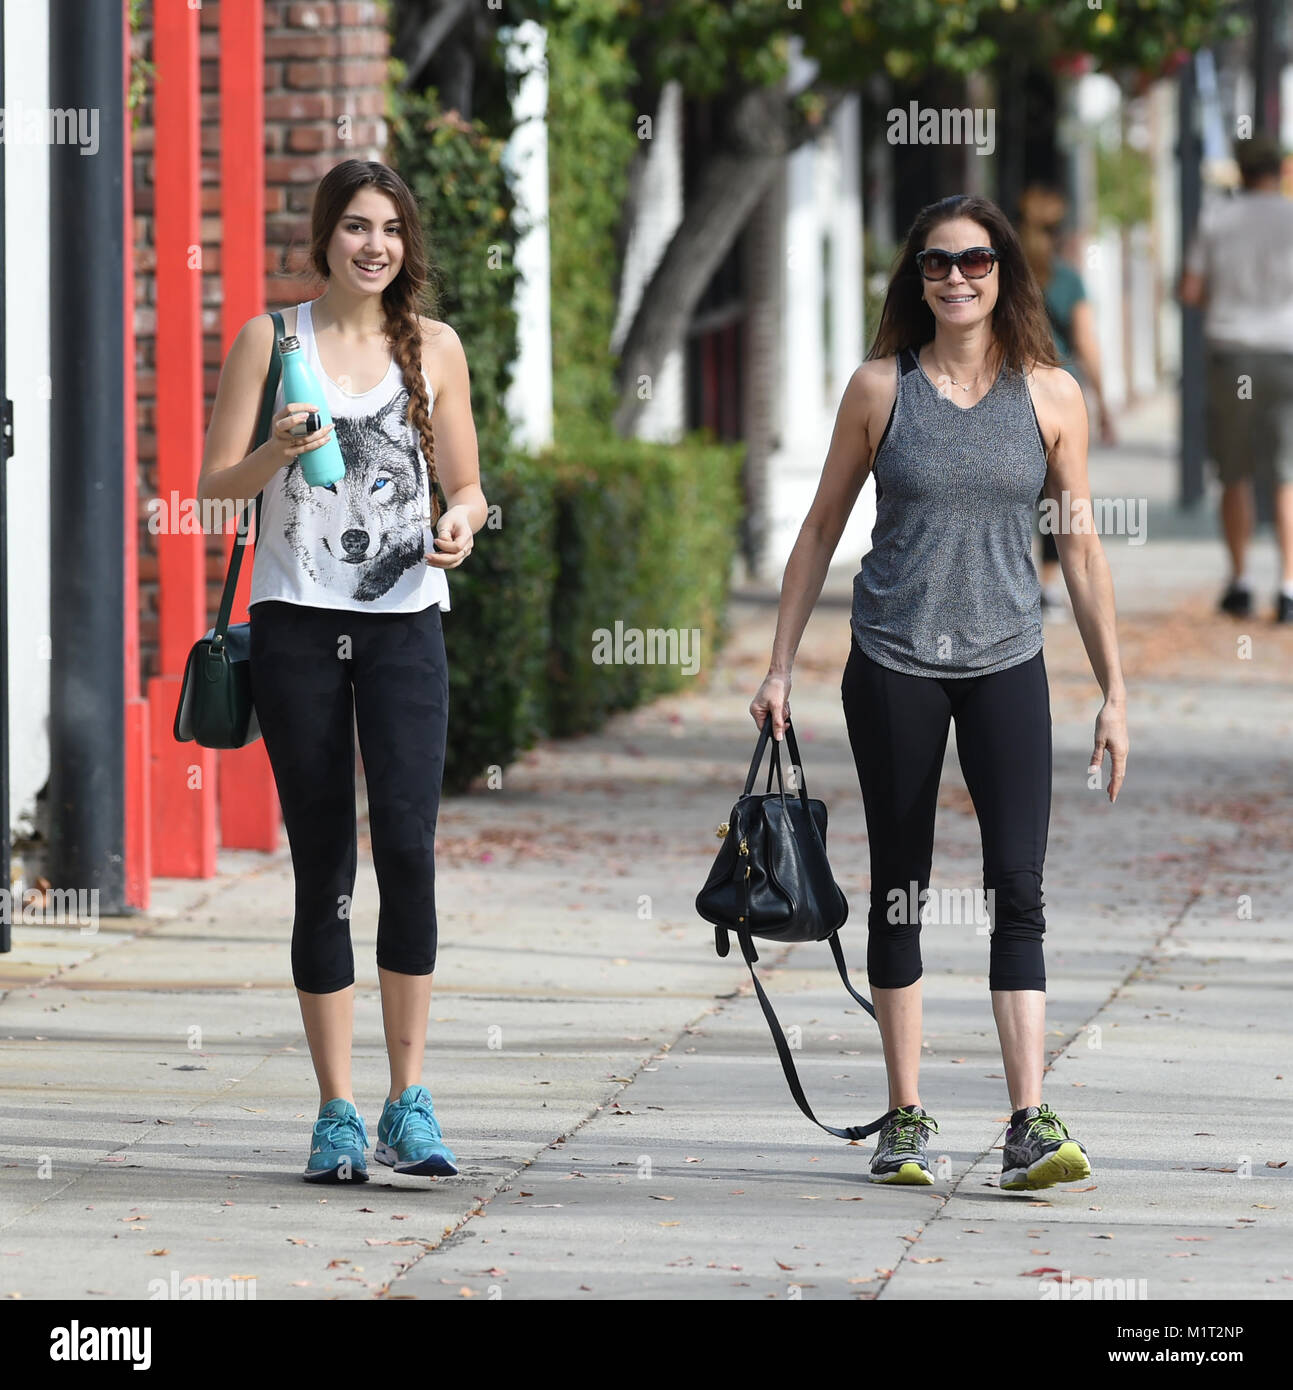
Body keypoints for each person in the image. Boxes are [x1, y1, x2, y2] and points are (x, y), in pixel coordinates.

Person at [750, 193, 1128, 1190]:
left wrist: (1114, 691)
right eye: (934, 264)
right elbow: (820, 528)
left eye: (974, 261)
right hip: (893, 661)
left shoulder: (1053, 396)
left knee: (1020, 886)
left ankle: (1027, 1120)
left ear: (1005, 272)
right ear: (915, 280)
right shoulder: (880, 389)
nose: (954, 278)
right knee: (902, 885)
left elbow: (1080, 551)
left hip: (1009, 658)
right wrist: (781, 664)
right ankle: (905, 1118)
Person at [196, 159, 486, 1182]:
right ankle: (335, 1110)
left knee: (408, 847)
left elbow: (469, 485)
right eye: (356, 227)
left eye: (392, 229)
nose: (375, 244)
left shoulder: (434, 348)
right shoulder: (271, 343)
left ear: (407, 245)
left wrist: (458, 521)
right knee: (324, 866)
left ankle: (411, 1099)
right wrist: (275, 452)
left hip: (406, 623)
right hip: (295, 627)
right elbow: (210, 487)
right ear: (323, 240)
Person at [1179, 134, 1293, 624]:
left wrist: (1224, 303)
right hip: (1286, 352)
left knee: (1235, 471)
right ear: (1280, 171)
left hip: (1231, 355)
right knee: (1288, 472)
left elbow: (1190, 289)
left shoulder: (1216, 216)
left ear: (1241, 172)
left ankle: (1241, 581)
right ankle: (1289, 586)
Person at [1017, 184, 1116, 618]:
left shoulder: (1009, 277)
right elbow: (1087, 344)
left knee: (1015, 491)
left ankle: (1020, 582)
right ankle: (1049, 587)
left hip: (1010, 391)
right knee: (1058, 499)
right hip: (1060, 395)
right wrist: (1104, 405)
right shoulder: (1068, 279)